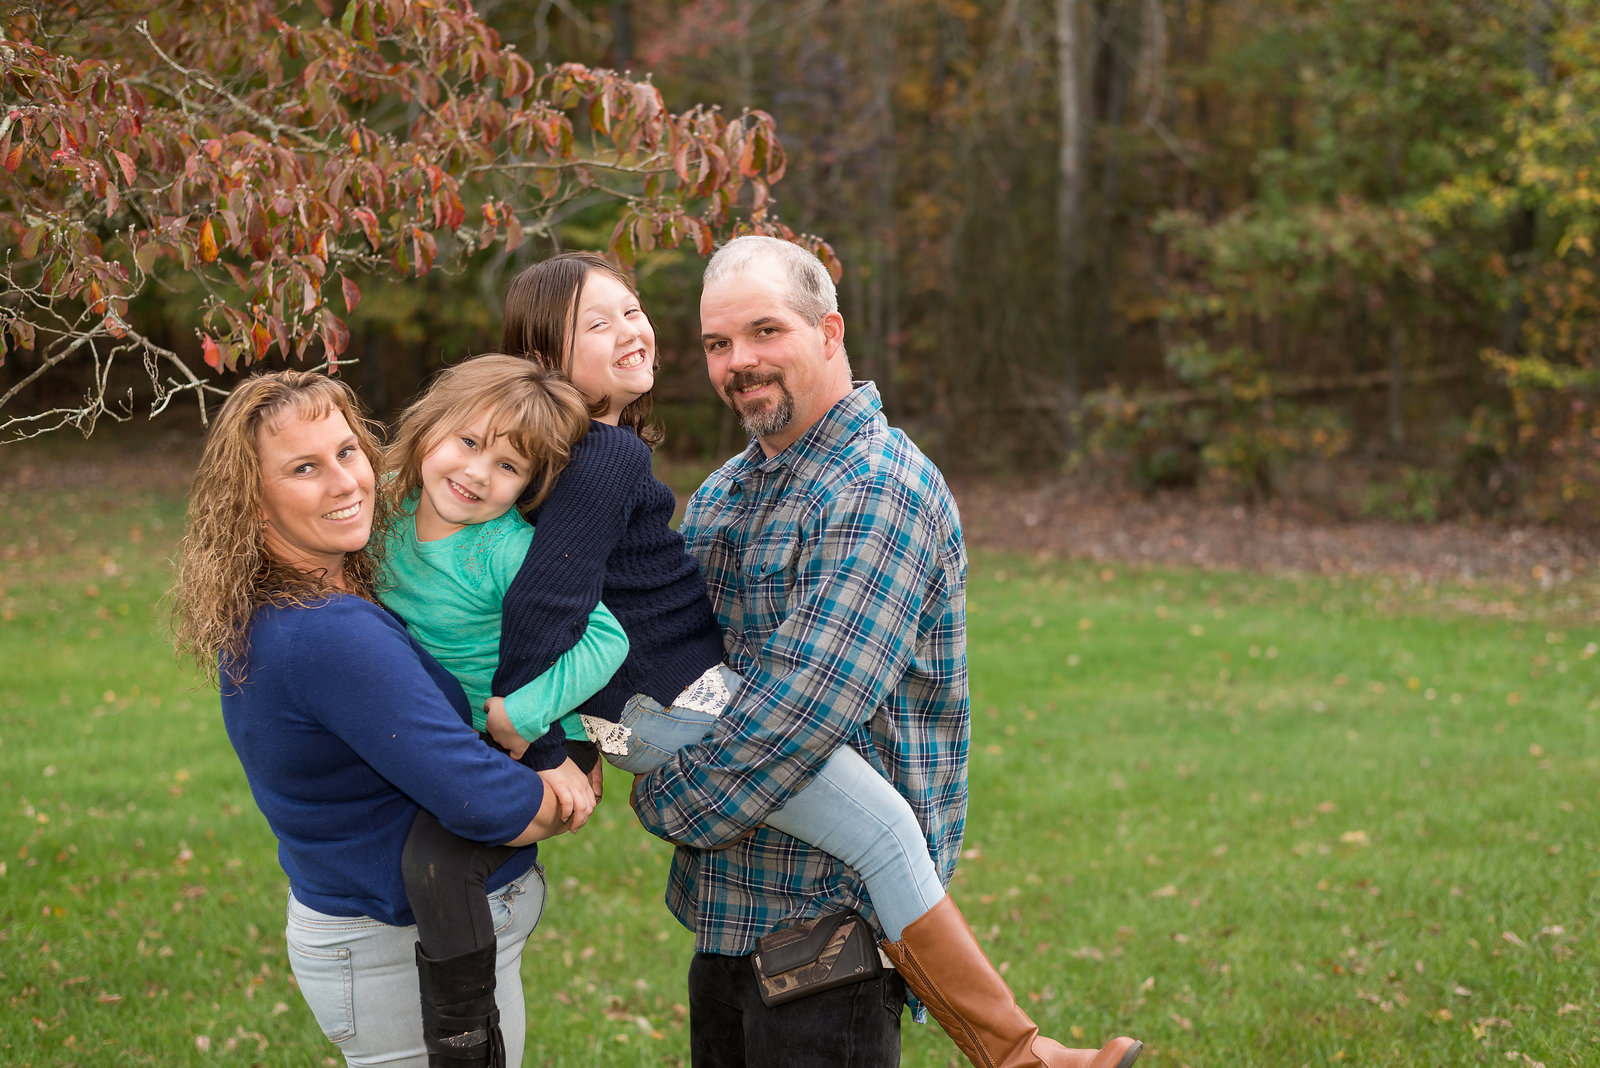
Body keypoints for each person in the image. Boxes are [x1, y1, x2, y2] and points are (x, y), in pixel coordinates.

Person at [493, 248, 1142, 1068]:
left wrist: (661, 798)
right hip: (726, 918)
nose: (740, 361)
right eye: (719, 343)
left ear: (830, 331)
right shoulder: (724, 491)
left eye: (766, 331)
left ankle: (1018, 1052)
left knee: (888, 834)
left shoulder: (877, 488)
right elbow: (608, 622)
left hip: (831, 942)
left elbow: (799, 714)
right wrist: (570, 742)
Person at [168, 370, 577, 1068]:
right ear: (252, 499)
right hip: (395, 952)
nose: (345, 483)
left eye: (346, 452)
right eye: (304, 468)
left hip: (384, 936)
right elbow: (481, 801)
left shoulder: (311, 599)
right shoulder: (328, 632)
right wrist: (561, 793)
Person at [376, 353, 628, 1067]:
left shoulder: (505, 549)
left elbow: (607, 640)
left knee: (436, 861)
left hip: (534, 734)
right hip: (451, 730)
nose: (478, 473)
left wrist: (523, 713)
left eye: (509, 466)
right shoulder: (383, 516)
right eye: (468, 442)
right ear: (430, 426)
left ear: (529, 486)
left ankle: (463, 1041)